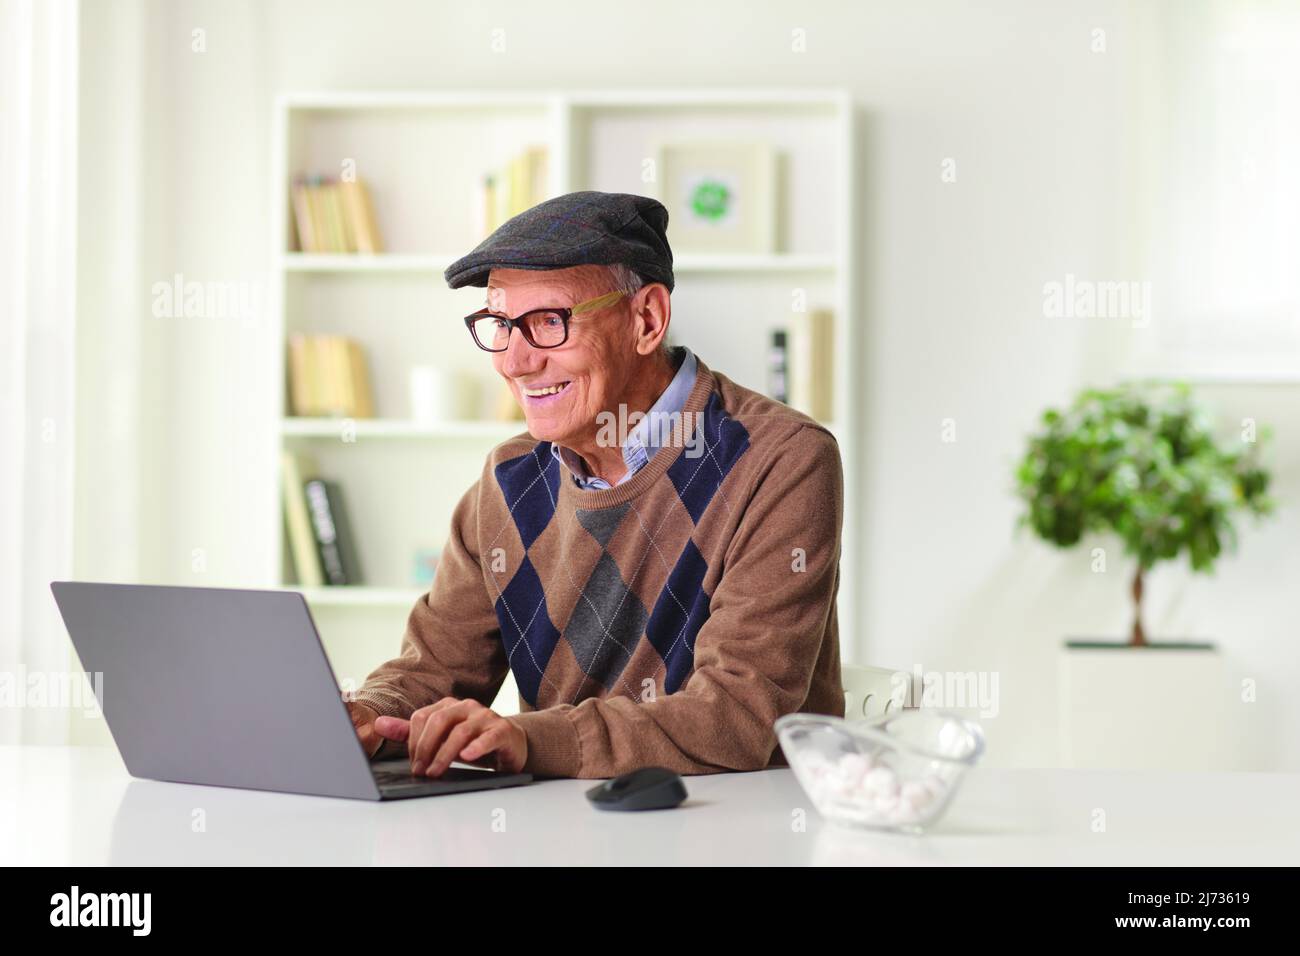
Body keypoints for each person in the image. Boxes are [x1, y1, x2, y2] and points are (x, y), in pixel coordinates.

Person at [347, 190, 844, 779]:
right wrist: (370, 718)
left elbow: (737, 717)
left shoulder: (782, 460)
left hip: (742, 831)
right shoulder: (509, 478)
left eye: (547, 323)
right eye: (499, 325)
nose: (514, 361)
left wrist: (533, 740)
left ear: (646, 319)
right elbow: (434, 669)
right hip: (565, 825)